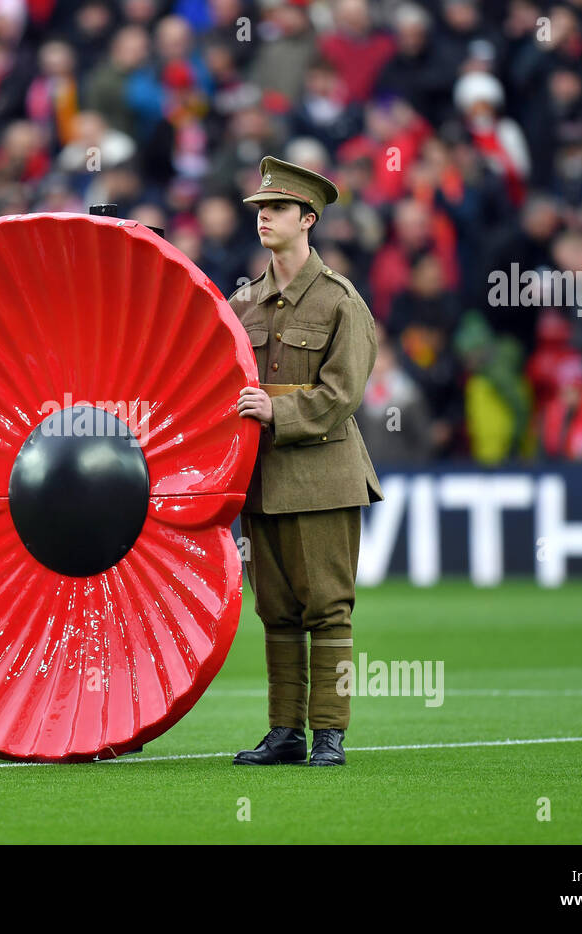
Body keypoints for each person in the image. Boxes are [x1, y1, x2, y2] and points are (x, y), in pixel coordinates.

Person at [230, 155, 383, 767]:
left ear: (309, 218)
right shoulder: (243, 303)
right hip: (264, 481)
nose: (265, 217)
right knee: (276, 610)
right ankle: (285, 731)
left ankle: (329, 734)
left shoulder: (341, 300)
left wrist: (275, 411)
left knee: (328, 607)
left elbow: (344, 392)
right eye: (261, 209)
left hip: (323, 476)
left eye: (278, 209)